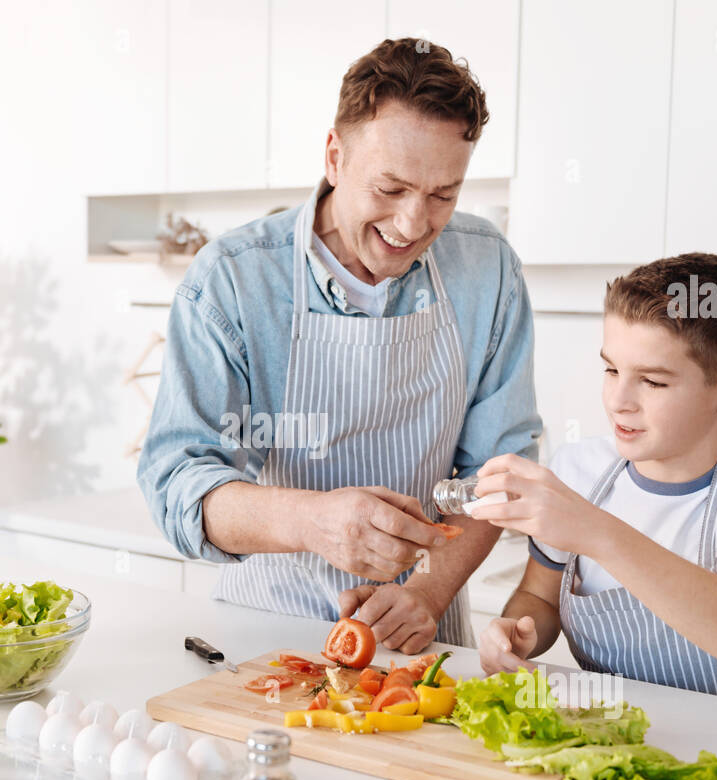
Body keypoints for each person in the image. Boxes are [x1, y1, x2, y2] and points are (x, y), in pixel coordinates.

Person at [137, 38, 541, 651]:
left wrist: (427, 591)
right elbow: (177, 481)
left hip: (420, 641)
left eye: (443, 196)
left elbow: (496, 471)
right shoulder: (233, 279)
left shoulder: (488, 268)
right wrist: (313, 521)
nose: (412, 225)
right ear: (334, 156)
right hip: (261, 635)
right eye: (390, 189)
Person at [470, 253, 717, 707]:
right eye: (612, 369)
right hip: (611, 732)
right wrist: (516, 633)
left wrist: (593, 530)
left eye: (652, 382)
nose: (619, 401)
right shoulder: (579, 469)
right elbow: (541, 598)